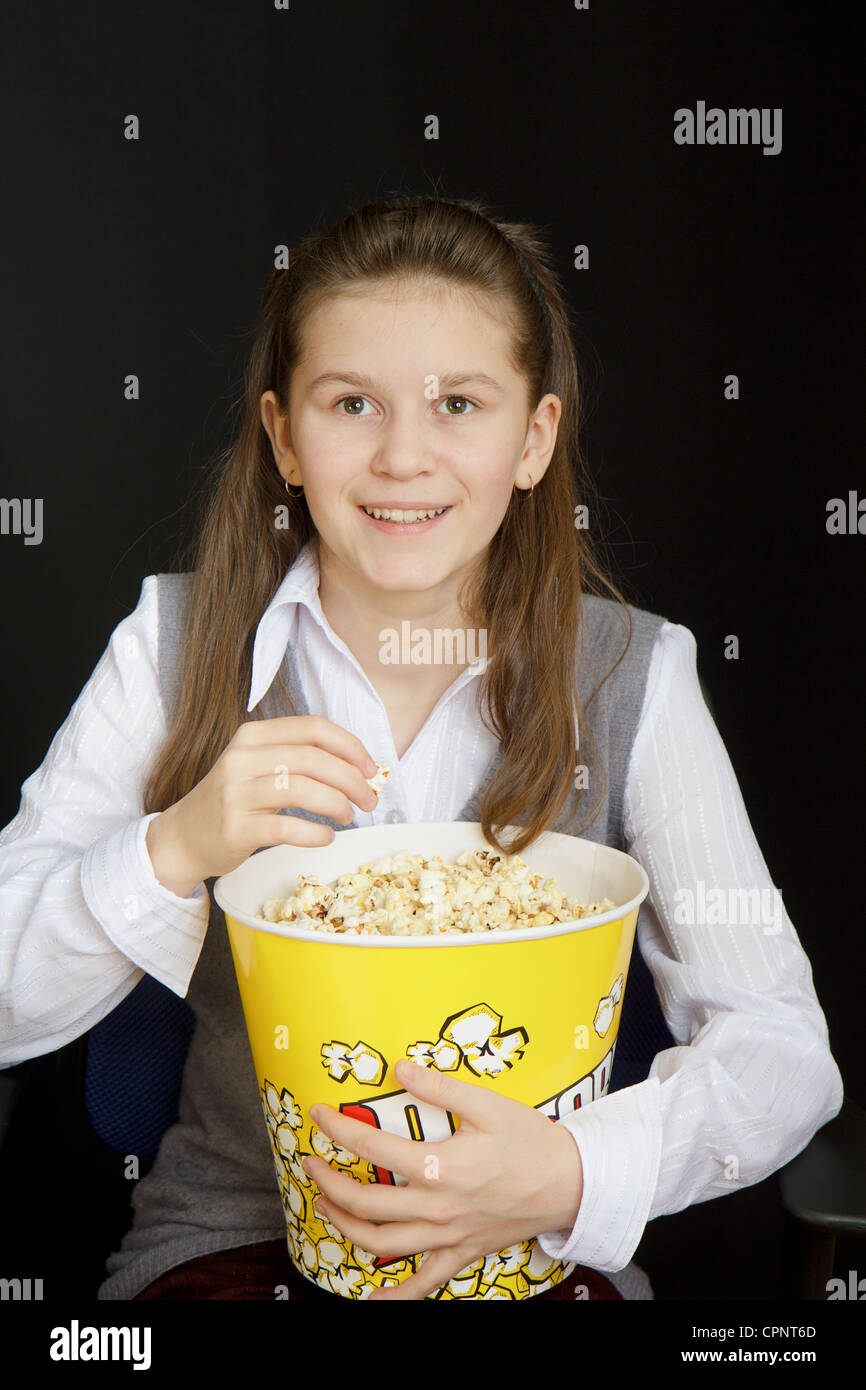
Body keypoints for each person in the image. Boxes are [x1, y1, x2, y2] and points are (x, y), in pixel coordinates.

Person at [0, 193, 844, 1302]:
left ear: (532, 439)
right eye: (352, 403)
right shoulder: (168, 645)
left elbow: (781, 1047)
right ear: (284, 438)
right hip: (231, 1242)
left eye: (458, 403)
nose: (404, 456)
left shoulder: (633, 672)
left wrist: (569, 1170)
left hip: (533, 1256)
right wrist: (173, 845)